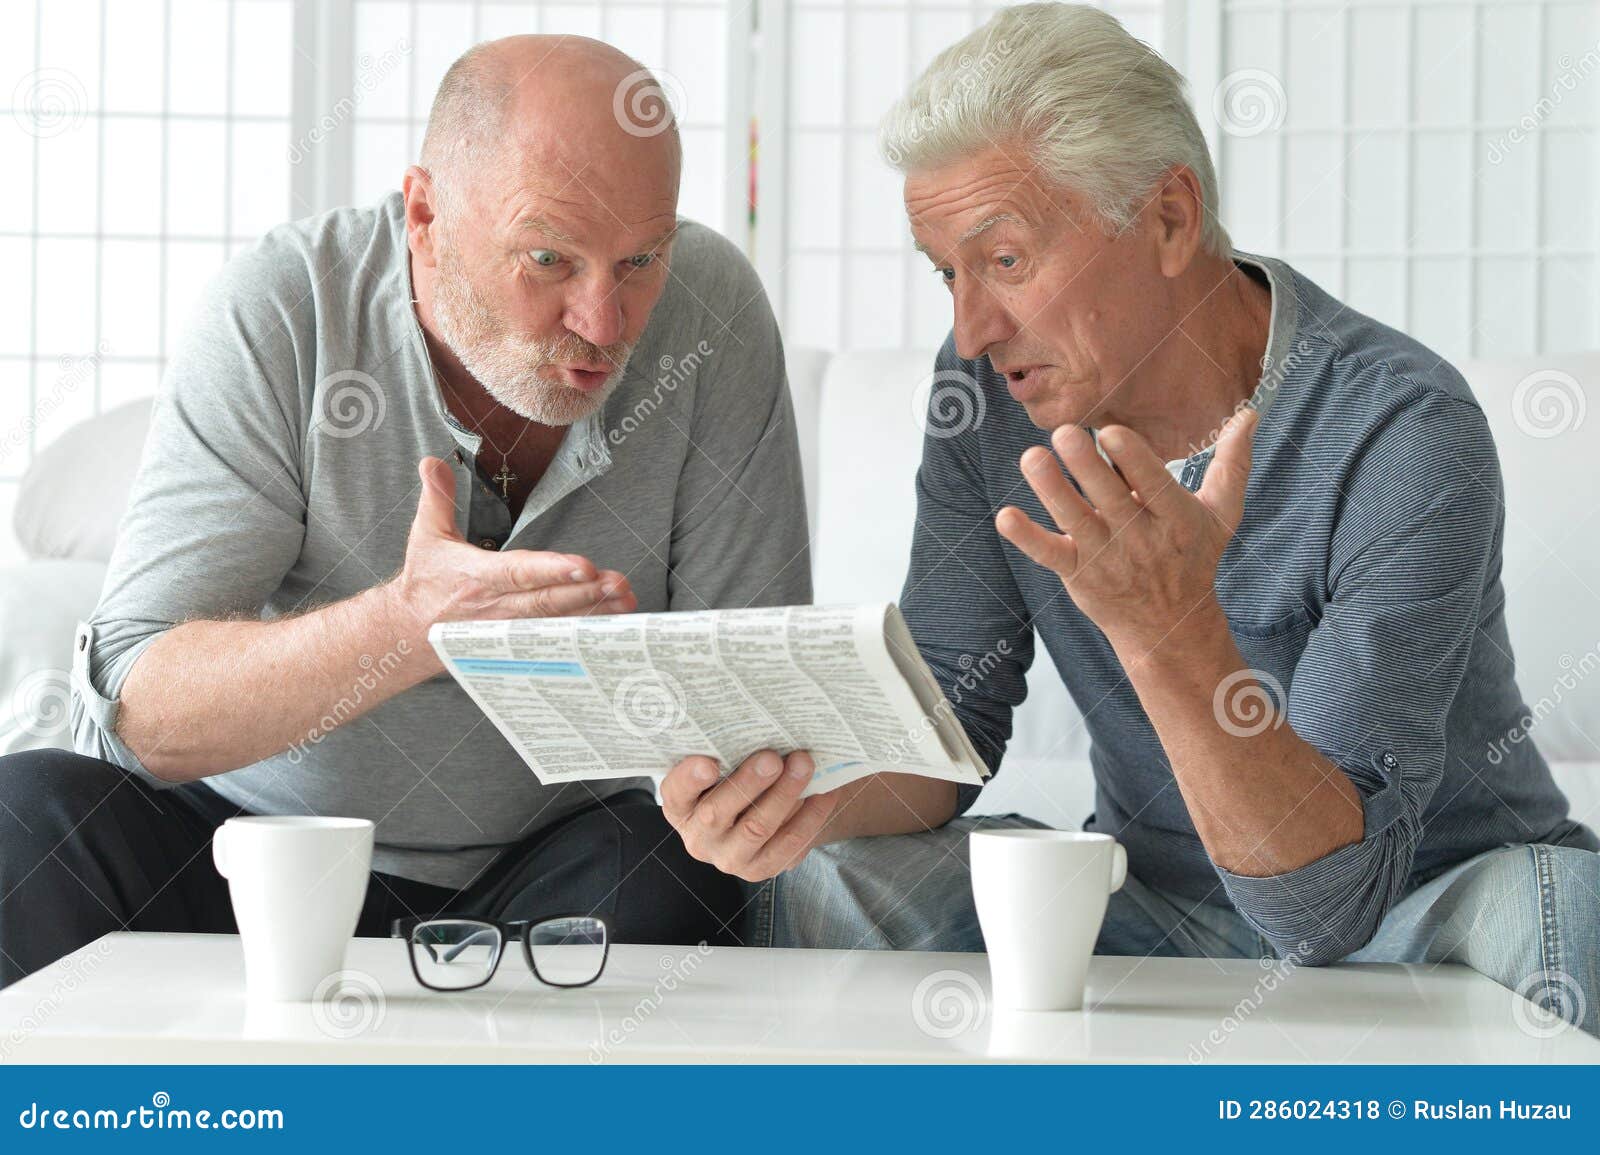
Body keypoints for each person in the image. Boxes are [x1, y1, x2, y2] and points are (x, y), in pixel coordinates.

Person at [669, 3, 1600, 1038]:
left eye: (1007, 260)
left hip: (1413, 908)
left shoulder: (1400, 424)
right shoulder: (985, 396)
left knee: (1560, 907)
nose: (971, 328)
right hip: (1149, 906)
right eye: (947, 272)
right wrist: (789, 800)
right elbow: (949, 717)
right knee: (836, 875)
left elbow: (1323, 907)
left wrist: (1169, 629)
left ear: (1167, 217)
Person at [0, 35, 810, 986]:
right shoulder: (285, 308)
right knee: (29, 811)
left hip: (558, 871)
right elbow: (141, 710)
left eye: (639, 259)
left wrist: (749, 787)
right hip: (253, 860)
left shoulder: (713, 316)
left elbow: (754, 691)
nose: (604, 321)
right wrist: (407, 624)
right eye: (549, 258)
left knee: (687, 868)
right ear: (425, 214)